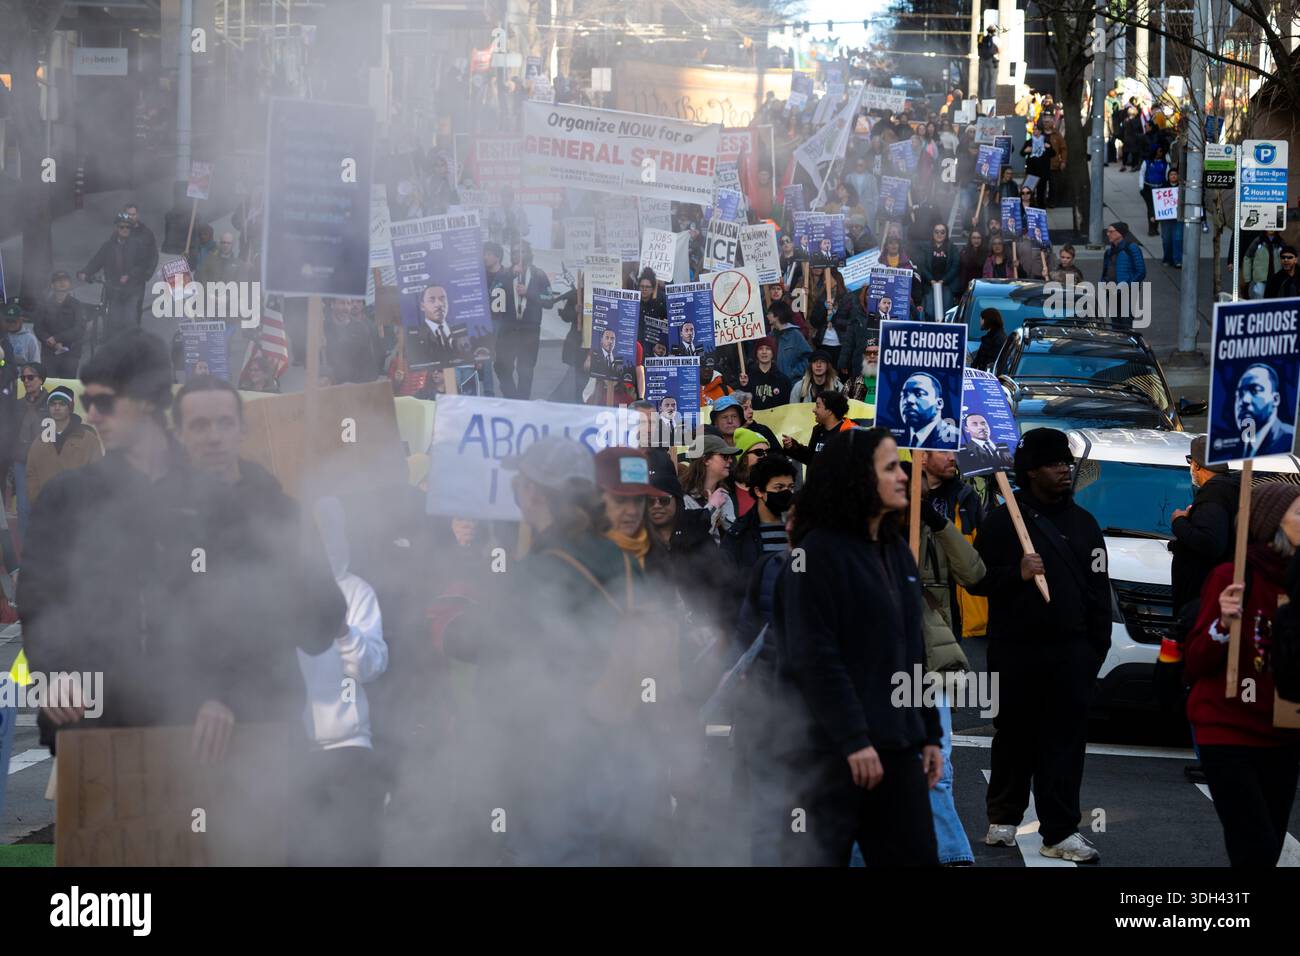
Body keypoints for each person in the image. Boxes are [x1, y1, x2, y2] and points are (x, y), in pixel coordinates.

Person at [19, 335, 346, 761]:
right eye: (87, 402)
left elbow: (274, 619)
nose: (92, 415)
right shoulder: (70, 498)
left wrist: (227, 693)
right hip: (102, 736)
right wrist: (54, 674)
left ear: (147, 403)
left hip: (230, 744)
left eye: (106, 402)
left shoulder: (247, 501)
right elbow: (41, 600)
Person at [775, 427, 943, 866]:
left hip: (899, 748)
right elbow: (815, 657)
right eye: (890, 468)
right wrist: (853, 739)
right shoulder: (816, 555)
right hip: (831, 756)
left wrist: (929, 734)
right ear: (857, 478)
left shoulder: (894, 550)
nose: (903, 475)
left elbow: (913, 653)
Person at [967, 428, 1111, 862]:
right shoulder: (1001, 522)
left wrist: (1094, 651)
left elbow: (1099, 591)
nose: (1064, 471)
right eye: (1053, 464)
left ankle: (1061, 830)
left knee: (1064, 744)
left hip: (1071, 654)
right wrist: (1018, 573)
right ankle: (1004, 817)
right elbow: (978, 582)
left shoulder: (1085, 525)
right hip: (1015, 651)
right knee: (1013, 736)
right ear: (1030, 472)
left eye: (1066, 463)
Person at [1186, 482, 1300, 866]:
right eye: (1299, 512)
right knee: (1252, 843)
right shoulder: (1232, 577)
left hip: (1284, 734)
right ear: (1273, 524)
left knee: (1267, 848)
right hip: (1228, 731)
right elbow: (1195, 662)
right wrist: (1222, 622)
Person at [295, 496, 390, 866]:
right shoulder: (279, 592)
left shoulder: (357, 592)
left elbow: (372, 666)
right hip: (293, 755)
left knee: (355, 855)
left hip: (349, 751)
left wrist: (342, 628)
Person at [912, 450, 985, 865]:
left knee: (938, 756)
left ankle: (953, 854)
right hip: (883, 660)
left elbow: (975, 575)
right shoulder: (868, 534)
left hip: (932, 658)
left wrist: (938, 524)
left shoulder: (937, 524)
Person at [722, 453, 797, 580]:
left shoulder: (799, 530)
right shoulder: (739, 533)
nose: (786, 493)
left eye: (790, 487)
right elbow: (727, 583)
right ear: (758, 491)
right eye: (779, 487)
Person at [78, 213, 153, 341]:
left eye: (128, 227)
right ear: (116, 228)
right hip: (113, 291)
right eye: (122, 227)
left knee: (130, 322)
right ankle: (114, 352)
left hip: (131, 291)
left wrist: (129, 275)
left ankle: (132, 351)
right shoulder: (108, 247)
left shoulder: (137, 245)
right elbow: (96, 262)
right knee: (113, 323)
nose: (125, 230)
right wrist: (85, 273)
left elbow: (144, 265)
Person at [25, 385, 103, 507]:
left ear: (70, 407)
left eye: (62, 404)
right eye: (53, 404)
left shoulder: (88, 439)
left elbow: (98, 474)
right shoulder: (39, 441)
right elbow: (31, 474)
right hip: (47, 510)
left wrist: (88, 506)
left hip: (79, 511)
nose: (57, 407)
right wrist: (37, 501)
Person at [495, 243, 550, 400]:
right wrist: (509, 276)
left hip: (529, 330)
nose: (517, 255)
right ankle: (513, 398)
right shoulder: (505, 273)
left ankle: (523, 403)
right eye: (514, 252)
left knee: (525, 369)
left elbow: (549, 300)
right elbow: (494, 293)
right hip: (508, 328)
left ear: (529, 254)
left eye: (522, 252)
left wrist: (529, 293)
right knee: (501, 366)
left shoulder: (538, 275)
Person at [13, 363, 48, 538]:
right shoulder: (17, 405)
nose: (26, 381)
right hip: (21, 462)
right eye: (23, 378)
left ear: (41, 379)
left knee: (43, 507)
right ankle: (25, 554)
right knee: (23, 509)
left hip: (45, 462)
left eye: (30, 377)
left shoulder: (52, 404)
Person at [781, 390, 855, 474]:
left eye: (818, 406)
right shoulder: (818, 430)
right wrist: (793, 446)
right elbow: (810, 458)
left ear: (829, 411)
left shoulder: (848, 433)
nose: (814, 410)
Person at [681, 434, 739, 542]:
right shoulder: (683, 498)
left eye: (730, 457)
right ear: (706, 460)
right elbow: (692, 538)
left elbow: (736, 537)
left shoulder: (723, 496)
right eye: (725, 456)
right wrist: (713, 506)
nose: (730, 460)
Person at [1235, 363, 1296, 457]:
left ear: (1275, 399)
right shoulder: (1235, 446)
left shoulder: (1289, 438)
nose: (1244, 400)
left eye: (1255, 390)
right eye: (1240, 393)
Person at [406, 284, 472, 369]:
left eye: (442, 299)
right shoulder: (415, 336)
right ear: (422, 306)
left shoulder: (460, 332)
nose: (439, 304)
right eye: (432, 300)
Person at [33, 272, 84, 379]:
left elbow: (79, 329)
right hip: (49, 353)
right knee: (49, 386)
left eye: (65, 280)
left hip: (71, 354)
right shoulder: (44, 305)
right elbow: (38, 327)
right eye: (58, 280)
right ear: (52, 285)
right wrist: (50, 341)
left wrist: (56, 338)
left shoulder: (77, 305)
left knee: (67, 388)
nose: (62, 282)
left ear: (70, 284)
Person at [1101, 223, 1147, 329]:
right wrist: (1104, 282)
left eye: (1111, 231)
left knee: (1126, 323)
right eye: (1107, 231)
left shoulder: (1132, 248)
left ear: (1120, 233)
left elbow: (1141, 271)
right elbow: (1105, 270)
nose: (1108, 234)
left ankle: (1128, 344)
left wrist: (1127, 285)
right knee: (1115, 323)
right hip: (1112, 290)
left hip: (1127, 292)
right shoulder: (1109, 251)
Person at [898, 372, 960, 448]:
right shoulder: (897, 440)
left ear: (939, 403)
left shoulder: (956, 439)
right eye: (904, 395)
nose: (909, 400)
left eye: (919, 394)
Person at [739, 337, 791, 410]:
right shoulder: (748, 379)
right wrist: (743, 386)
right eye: (760, 349)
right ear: (756, 353)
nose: (764, 352)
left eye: (768, 349)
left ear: (773, 353)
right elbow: (743, 405)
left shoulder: (783, 380)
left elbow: (787, 407)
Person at [768, 300, 812, 381]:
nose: (767, 316)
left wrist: (793, 373)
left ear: (777, 315)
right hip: (775, 384)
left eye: (769, 313)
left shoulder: (795, 334)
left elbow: (808, 358)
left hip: (792, 383)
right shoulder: (770, 336)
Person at [1242, 230, 1284, 300]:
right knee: (1259, 297)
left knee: (1275, 299)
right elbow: (1247, 257)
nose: (1271, 229)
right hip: (1260, 277)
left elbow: (1286, 257)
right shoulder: (1258, 241)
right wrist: (1247, 278)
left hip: (1276, 276)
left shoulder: (1280, 242)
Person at [1139, 146, 1171, 236]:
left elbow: (1167, 176)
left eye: (1161, 151)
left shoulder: (1165, 164)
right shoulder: (1147, 162)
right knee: (1151, 208)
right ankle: (1151, 229)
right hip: (1148, 188)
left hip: (1160, 189)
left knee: (1158, 209)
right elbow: (1141, 174)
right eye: (1159, 151)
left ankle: (1155, 228)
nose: (1161, 153)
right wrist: (1141, 187)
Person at [1159, 168, 1185, 267]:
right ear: (1168, 176)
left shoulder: (1182, 188)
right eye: (1171, 174)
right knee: (1166, 239)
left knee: (1178, 239)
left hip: (1178, 218)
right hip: (1166, 219)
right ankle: (1167, 259)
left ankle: (1177, 260)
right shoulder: (1163, 187)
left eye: (1175, 174)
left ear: (1178, 176)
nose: (1173, 176)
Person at [4, 302, 41, 366]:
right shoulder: (3, 336)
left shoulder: (30, 339)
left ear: (21, 320)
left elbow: (36, 364)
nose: (11, 324)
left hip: (21, 374)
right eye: (8, 321)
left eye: (14, 321)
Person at [847, 339, 879, 406]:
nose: (872, 356)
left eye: (876, 353)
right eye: (868, 353)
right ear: (864, 356)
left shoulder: (892, 383)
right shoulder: (852, 382)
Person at [978, 26, 998, 101]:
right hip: (992, 61)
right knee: (993, 79)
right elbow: (1000, 49)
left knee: (985, 79)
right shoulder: (995, 38)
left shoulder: (982, 38)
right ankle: (992, 96)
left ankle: (984, 96)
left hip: (983, 60)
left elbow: (979, 47)